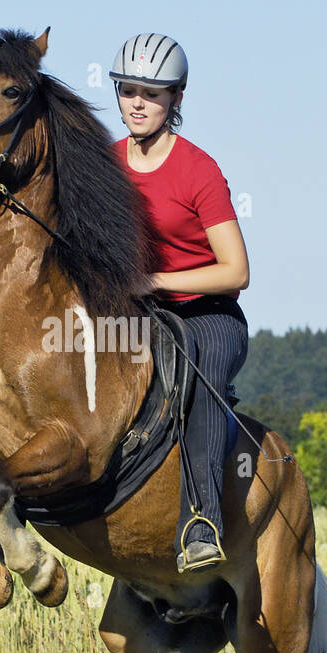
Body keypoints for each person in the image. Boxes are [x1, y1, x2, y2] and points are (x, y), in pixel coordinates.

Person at [109, 33, 250, 573]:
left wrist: (159, 280)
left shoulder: (199, 171)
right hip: (136, 314)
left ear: (177, 99)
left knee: (201, 384)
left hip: (206, 316)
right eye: (127, 90)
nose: (137, 103)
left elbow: (236, 271)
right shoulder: (106, 163)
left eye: (152, 92)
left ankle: (201, 521)